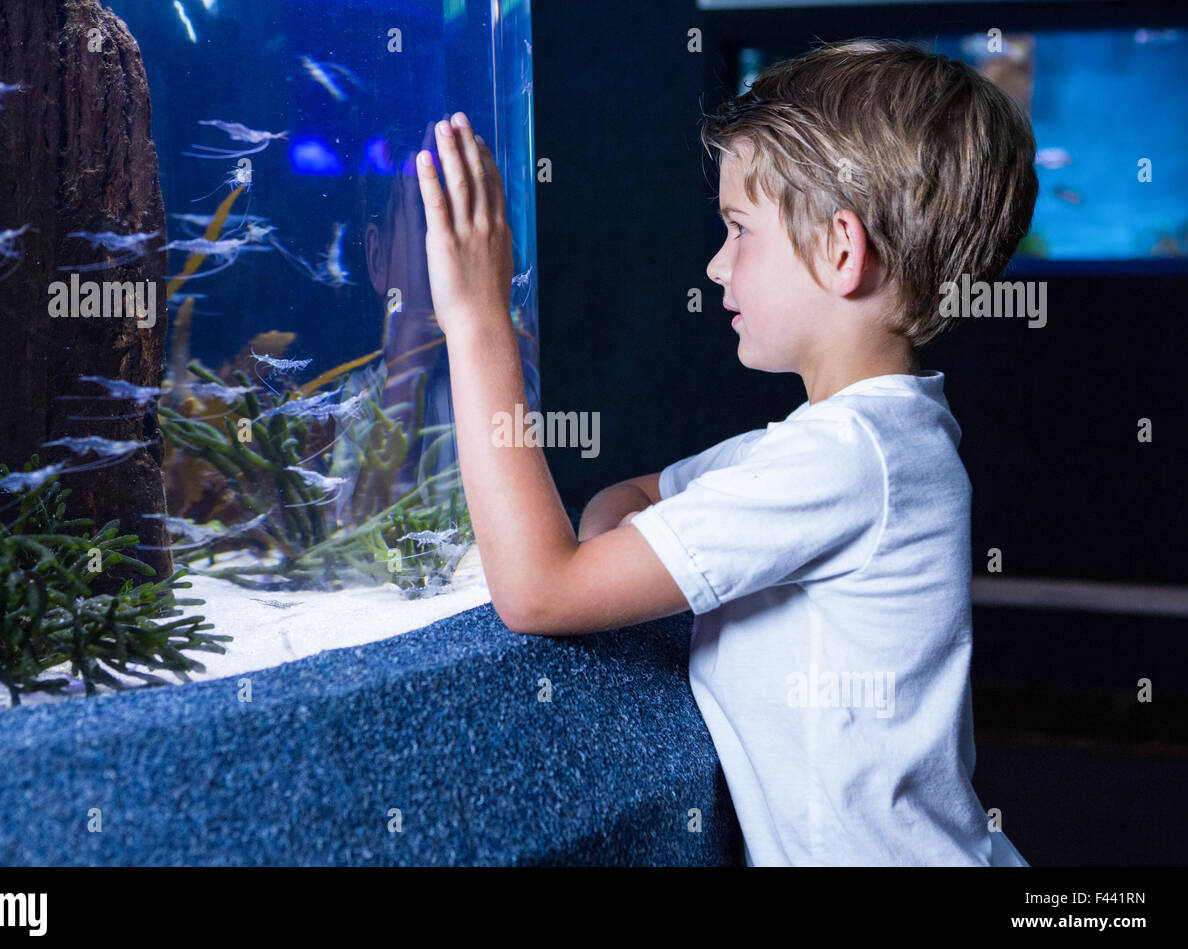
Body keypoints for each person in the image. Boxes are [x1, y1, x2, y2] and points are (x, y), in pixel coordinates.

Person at [414, 37, 1037, 866]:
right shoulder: (847, 444)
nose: (715, 265)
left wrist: (477, 321)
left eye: (739, 230)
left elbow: (537, 590)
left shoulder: (848, 462)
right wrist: (610, 561)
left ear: (841, 251)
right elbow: (629, 500)